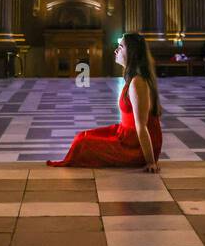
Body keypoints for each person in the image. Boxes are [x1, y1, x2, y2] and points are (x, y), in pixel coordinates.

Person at [47, 32, 162, 171]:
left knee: (83, 143)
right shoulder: (133, 78)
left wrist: (150, 162)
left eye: (120, 47)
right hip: (125, 134)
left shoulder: (138, 82)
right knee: (81, 136)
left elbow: (142, 126)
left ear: (131, 52)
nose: (116, 51)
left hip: (134, 146)